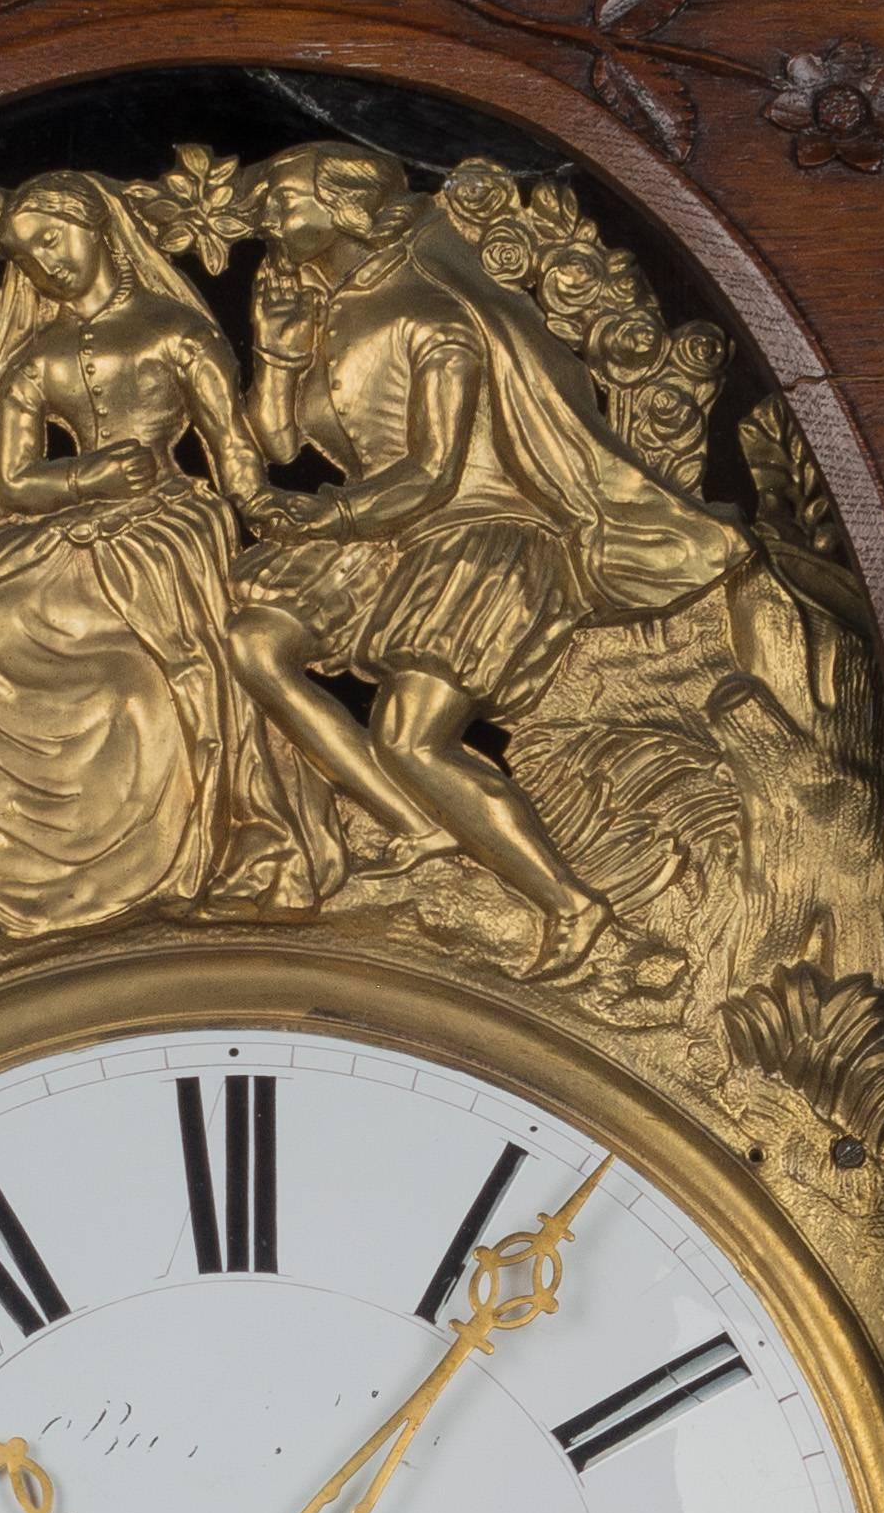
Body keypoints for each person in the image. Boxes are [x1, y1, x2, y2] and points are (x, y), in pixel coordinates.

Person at [228, 146, 741, 966]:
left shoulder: (430, 317)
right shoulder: (328, 318)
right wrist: (280, 354)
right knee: (248, 644)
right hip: (383, 537)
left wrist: (326, 515)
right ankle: (416, 823)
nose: (269, 222)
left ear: (345, 205)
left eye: (284, 202)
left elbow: (433, 475)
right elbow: (279, 440)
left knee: (410, 734)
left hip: (479, 535)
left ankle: (571, 904)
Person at [0, 171, 324, 944]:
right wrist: (83, 476)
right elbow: (11, 482)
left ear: (97, 227)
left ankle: (154, 876)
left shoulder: (177, 332)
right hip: (58, 544)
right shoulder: (34, 358)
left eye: (52, 237)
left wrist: (277, 515)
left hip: (161, 539)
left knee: (141, 692)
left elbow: (236, 454)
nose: (45, 261)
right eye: (29, 252)